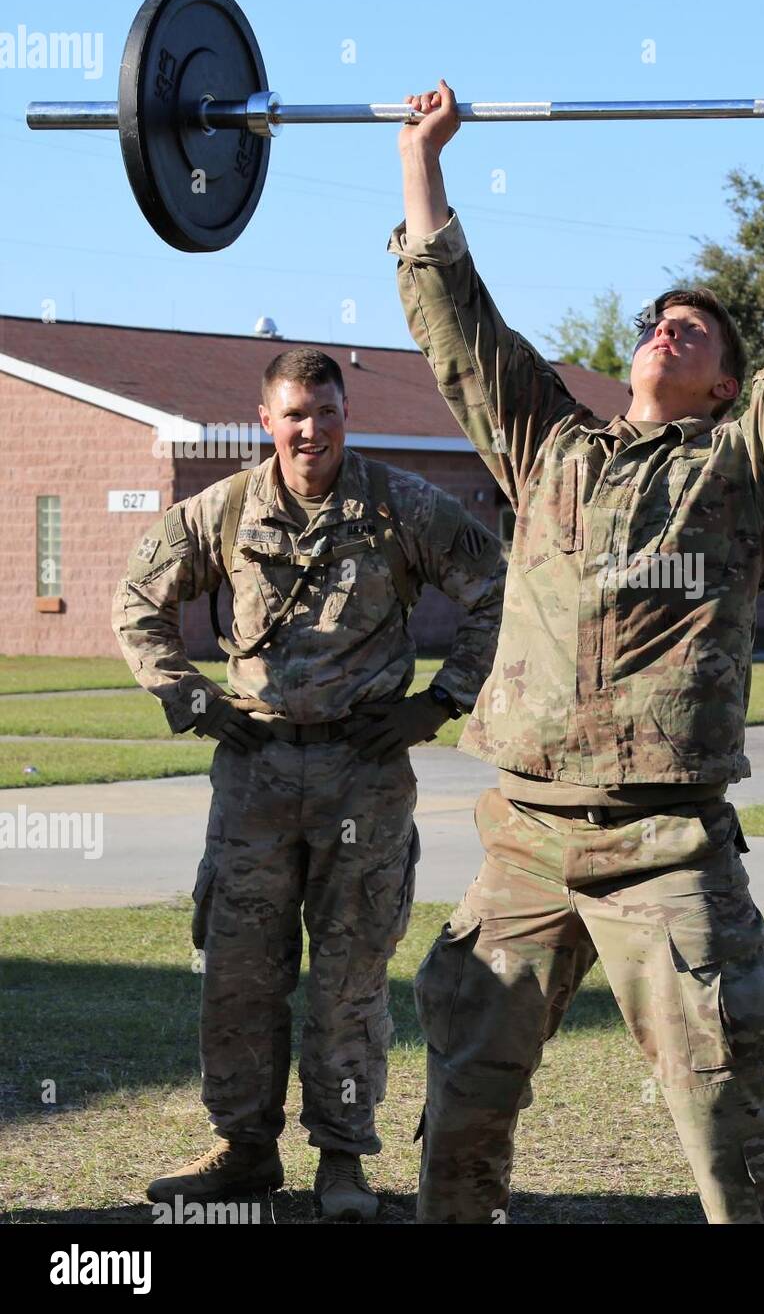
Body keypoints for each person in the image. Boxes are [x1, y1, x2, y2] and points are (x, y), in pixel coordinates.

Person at [390, 76, 764, 1224]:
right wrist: (422, 158)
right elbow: (457, 330)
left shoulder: (740, 466)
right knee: (465, 1088)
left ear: (724, 381)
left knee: (719, 1102)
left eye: (695, 328)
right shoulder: (549, 445)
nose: (664, 329)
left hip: (661, 837)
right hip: (522, 830)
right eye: (652, 321)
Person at [112, 348, 506, 1221]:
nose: (312, 430)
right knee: (240, 975)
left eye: (326, 412)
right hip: (253, 772)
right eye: (295, 414)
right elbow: (139, 598)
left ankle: (343, 1163)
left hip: (363, 774)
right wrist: (189, 697)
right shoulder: (222, 510)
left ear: (344, 414)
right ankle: (244, 1151)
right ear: (266, 420)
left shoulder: (400, 504)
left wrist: (438, 702)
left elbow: (497, 588)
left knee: (350, 979)